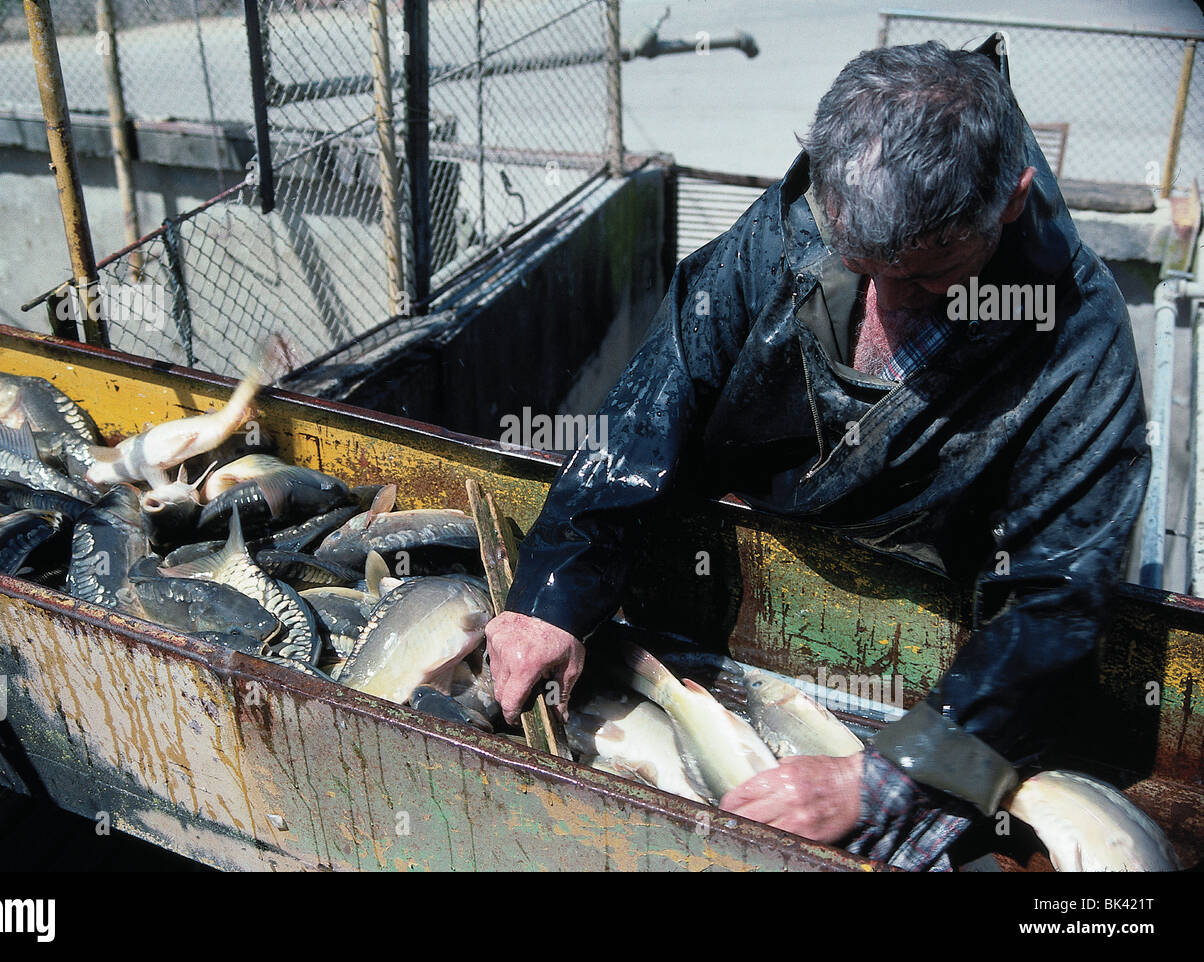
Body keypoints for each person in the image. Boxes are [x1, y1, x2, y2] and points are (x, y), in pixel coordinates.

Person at [483, 39, 1151, 870]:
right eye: (858, 264)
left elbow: (1052, 600)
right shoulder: (795, 217)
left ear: (1010, 201)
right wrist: (554, 590)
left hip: (935, 619)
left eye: (928, 277)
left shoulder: (1076, 339)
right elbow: (661, 397)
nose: (883, 305)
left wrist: (887, 778)